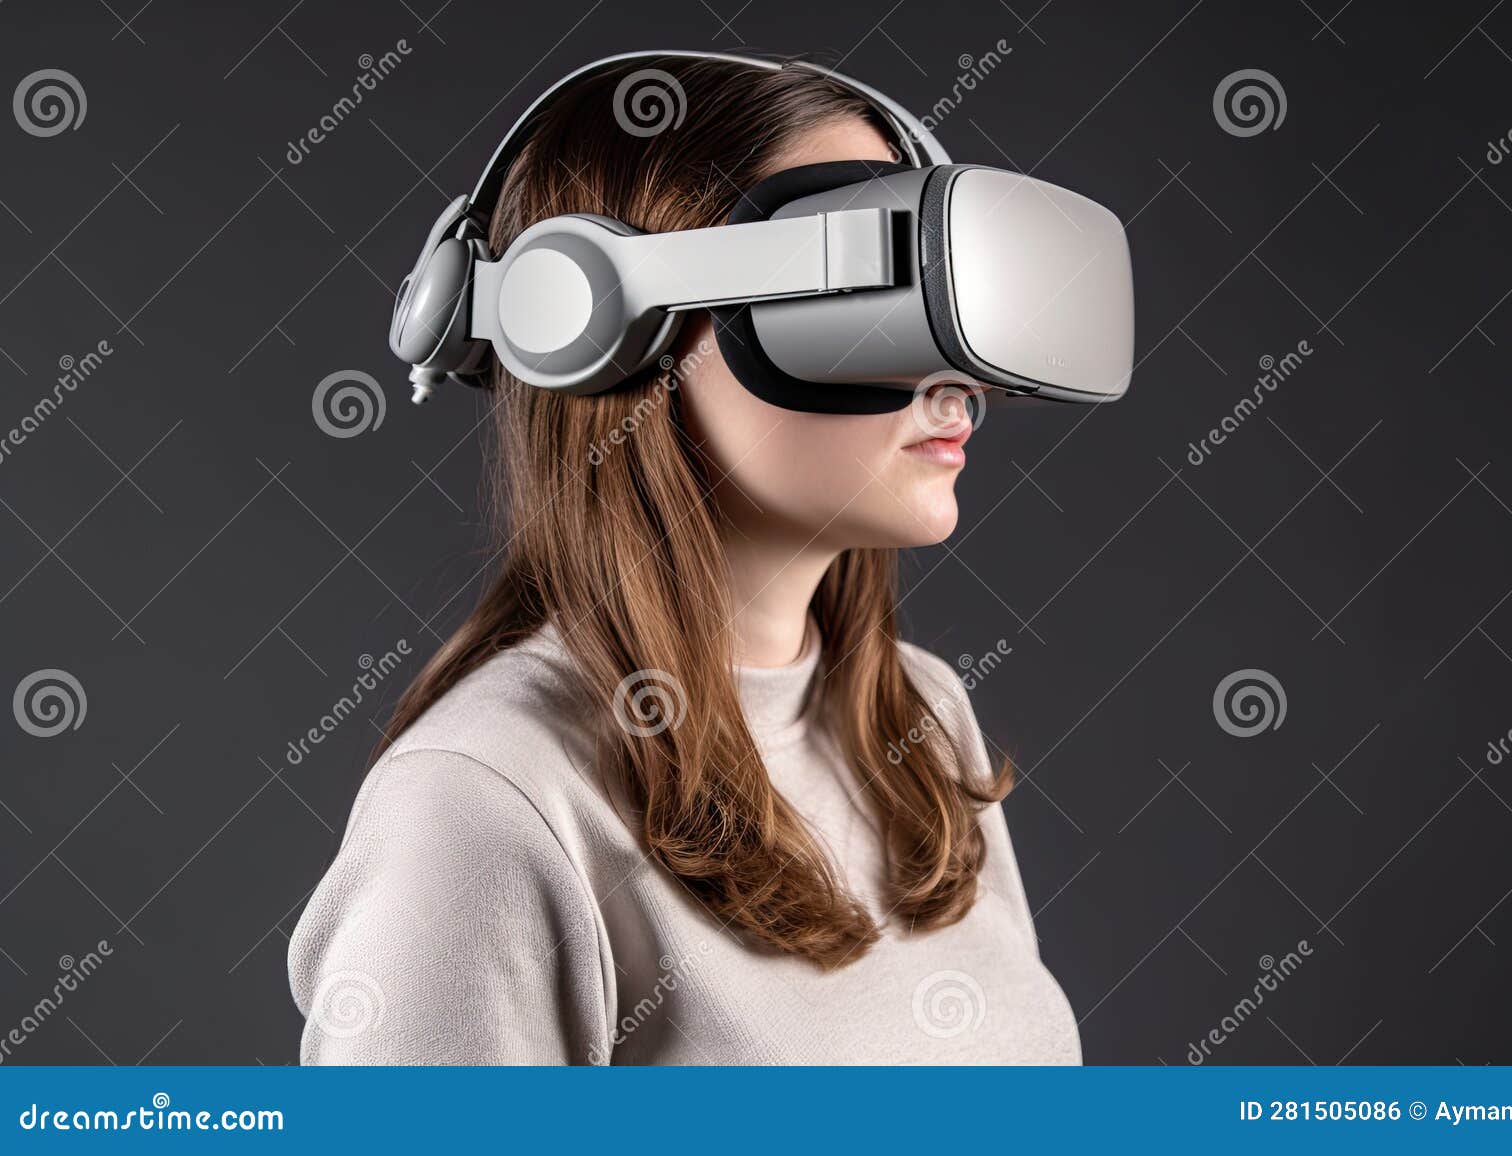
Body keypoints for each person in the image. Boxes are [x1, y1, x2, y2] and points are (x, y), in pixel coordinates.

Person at [288, 53, 1080, 1065]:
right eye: (859, 287)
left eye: (932, 290)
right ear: (595, 329)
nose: (950, 370)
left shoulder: (921, 724)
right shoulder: (484, 804)